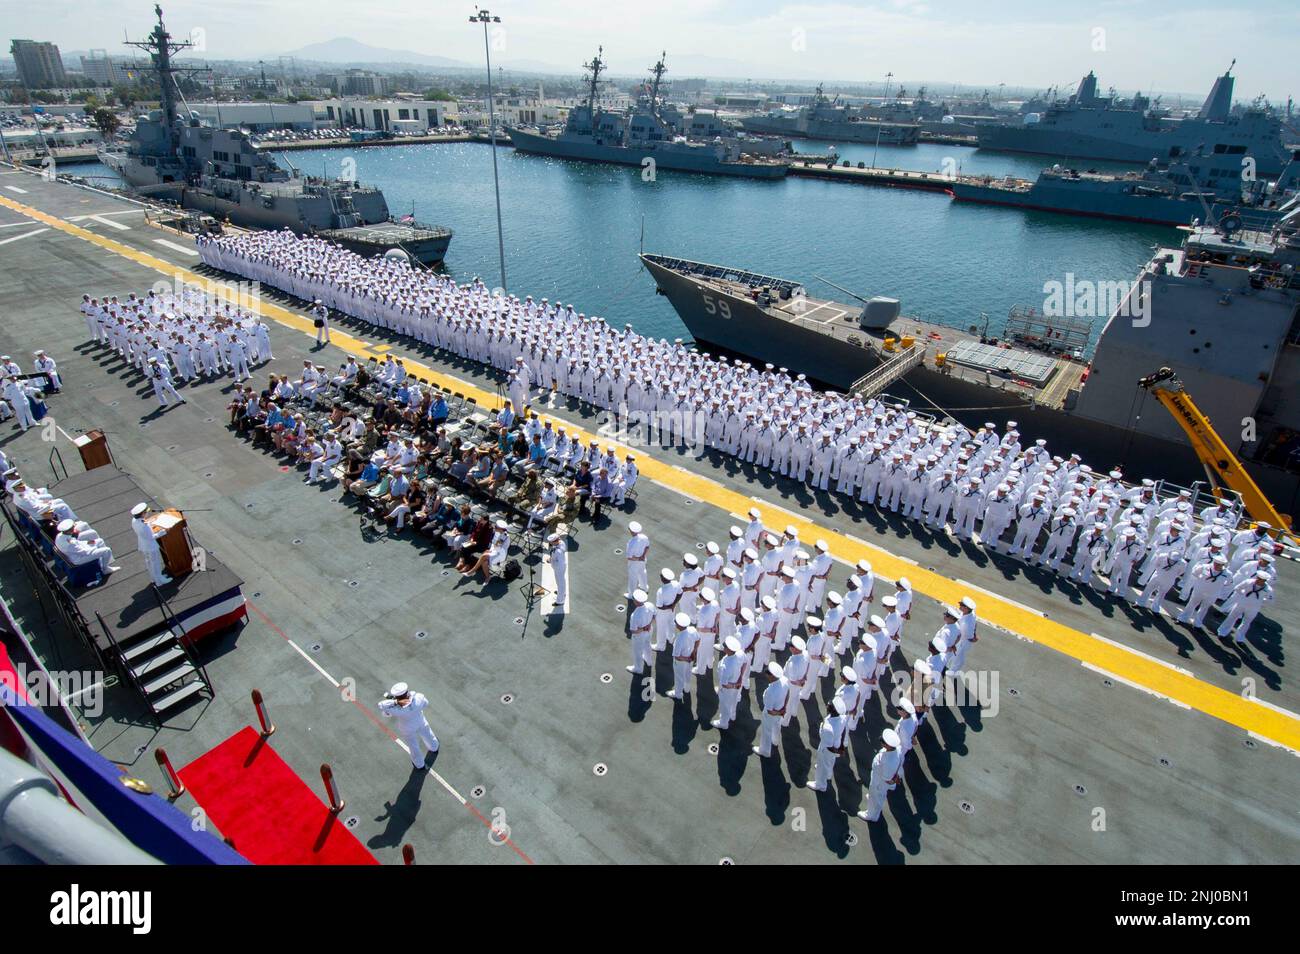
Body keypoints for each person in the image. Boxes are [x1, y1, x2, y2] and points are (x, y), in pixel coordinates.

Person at [377, 682, 439, 770]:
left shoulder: (395, 709)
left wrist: (395, 701)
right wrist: (408, 699)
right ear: (407, 691)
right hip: (420, 721)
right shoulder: (419, 698)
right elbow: (426, 703)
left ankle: (419, 764)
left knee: (413, 745)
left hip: (407, 728)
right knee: (428, 734)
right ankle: (434, 747)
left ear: (397, 697)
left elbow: (382, 707)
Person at [752, 661, 789, 758]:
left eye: (768, 674)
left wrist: (779, 712)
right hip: (780, 710)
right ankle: (775, 741)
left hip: (771, 714)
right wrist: (783, 709)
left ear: (772, 676)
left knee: (766, 731)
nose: (767, 675)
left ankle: (764, 750)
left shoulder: (771, 691)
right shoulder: (785, 680)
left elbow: (769, 711)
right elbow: (787, 694)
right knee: (777, 726)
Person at [130, 502, 171, 586]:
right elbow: (152, 537)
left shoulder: (135, 520)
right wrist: (164, 531)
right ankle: (160, 581)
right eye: (146, 512)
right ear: (142, 513)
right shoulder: (143, 526)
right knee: (155, 563)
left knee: (149, 563)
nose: (147, 513)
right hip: (150, 546)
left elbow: (144, 523)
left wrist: (150, 522)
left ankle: (154, 578)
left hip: (144, 545)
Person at [625, 521, 649, 598]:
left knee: (633, 578)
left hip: (634, 562)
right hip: (643, 559)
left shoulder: (631, 543)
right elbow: (647, 547)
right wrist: (643, 556)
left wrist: (639, 558)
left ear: (631, 531)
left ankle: (631, 595)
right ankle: (644, 587)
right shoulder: (644, 537)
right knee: (642, 573)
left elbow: (629, 557)